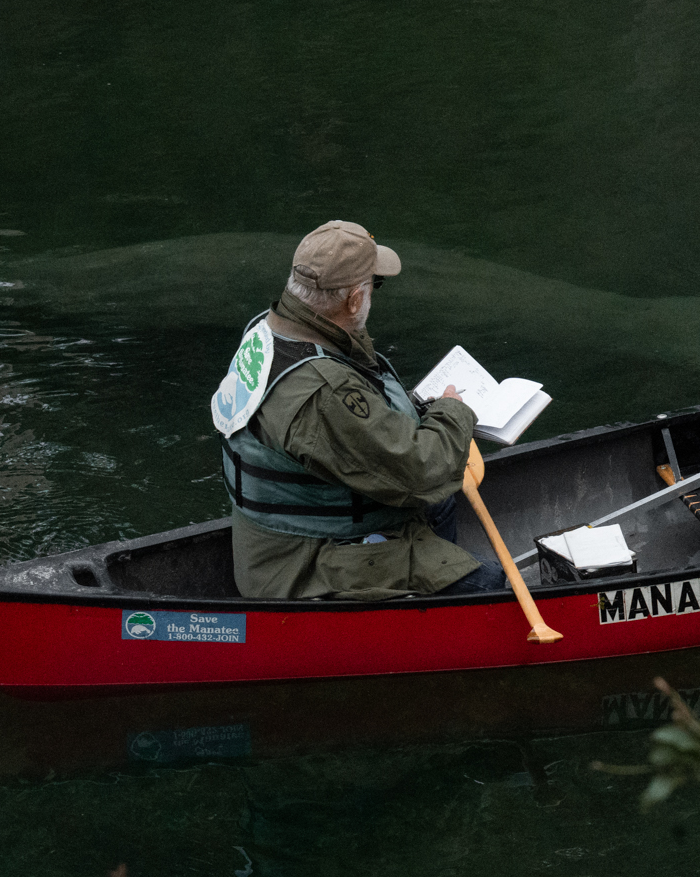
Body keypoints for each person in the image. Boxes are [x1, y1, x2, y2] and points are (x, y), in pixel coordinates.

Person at [209, 220, 503, 599]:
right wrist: (452, 411)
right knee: (495, 586)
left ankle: (432, 583)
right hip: (305, 567)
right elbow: (421, 473)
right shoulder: (323, 391)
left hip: (270, 547)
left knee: (443, 502)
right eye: (373, 285)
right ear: (352, 300)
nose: (373, 295)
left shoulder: (268, 331)